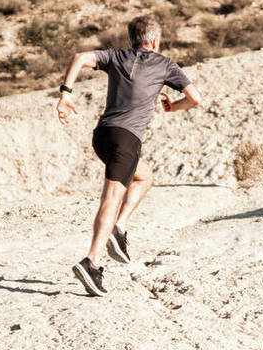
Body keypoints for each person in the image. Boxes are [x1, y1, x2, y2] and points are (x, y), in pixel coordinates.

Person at [56, 15, 201, 296]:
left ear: (132, 40)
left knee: (144, 177)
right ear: (156, 41)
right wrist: (174, 107)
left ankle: (118, 227)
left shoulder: (115, 56)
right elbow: (196, 98)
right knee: (111, 198)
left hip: (103, 135)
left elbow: (79, 57)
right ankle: (92, 262)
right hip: (127, 139)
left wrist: (66, 94)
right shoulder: (165, 64)